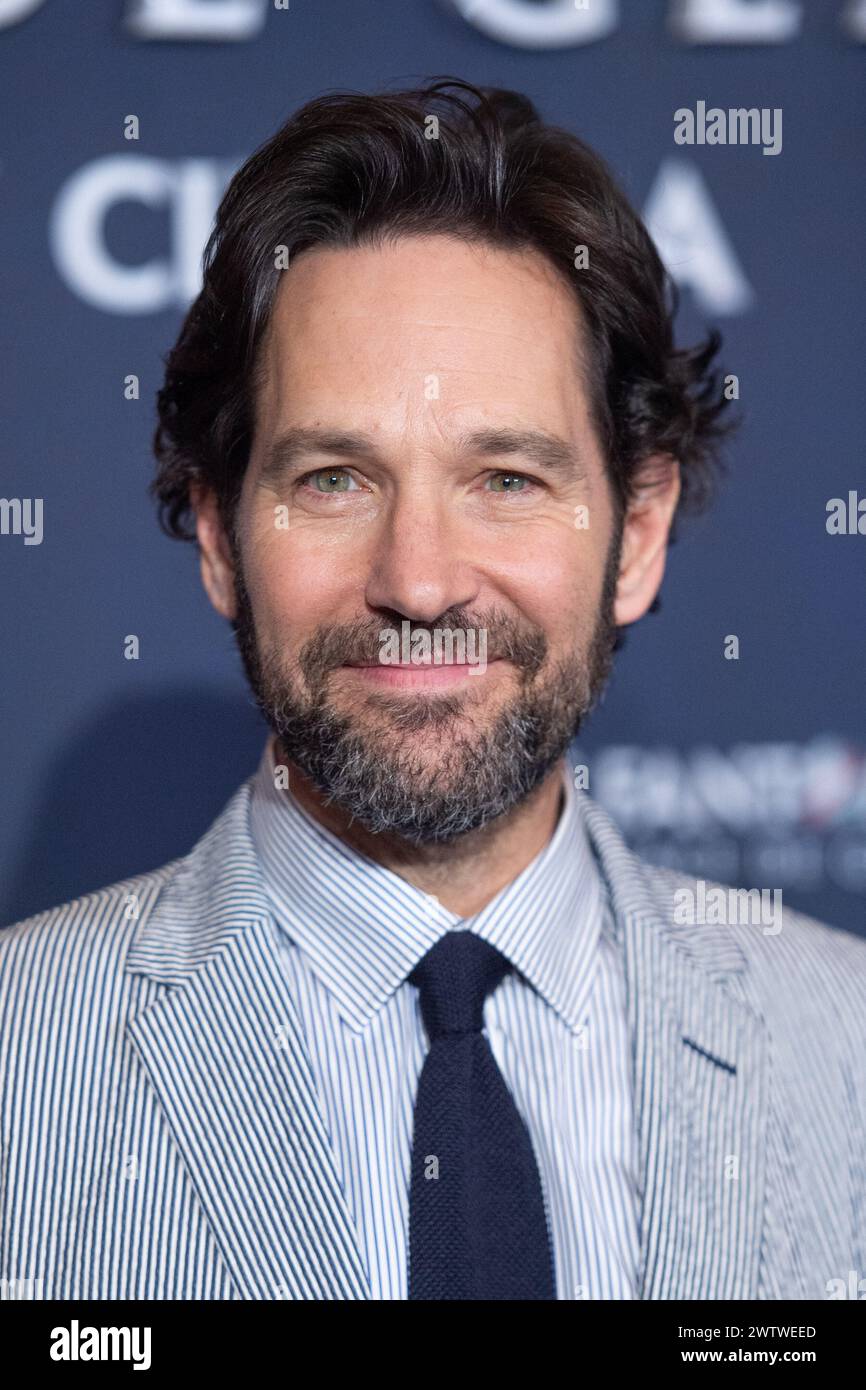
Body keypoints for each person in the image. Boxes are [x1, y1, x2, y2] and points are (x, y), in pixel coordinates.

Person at [1, 79, 864, 1302]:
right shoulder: (16, 1065)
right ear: (215, 536)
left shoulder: (848, 1054)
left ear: (637, 533)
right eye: (335, 478)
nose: (418, 581)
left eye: (506, 478)